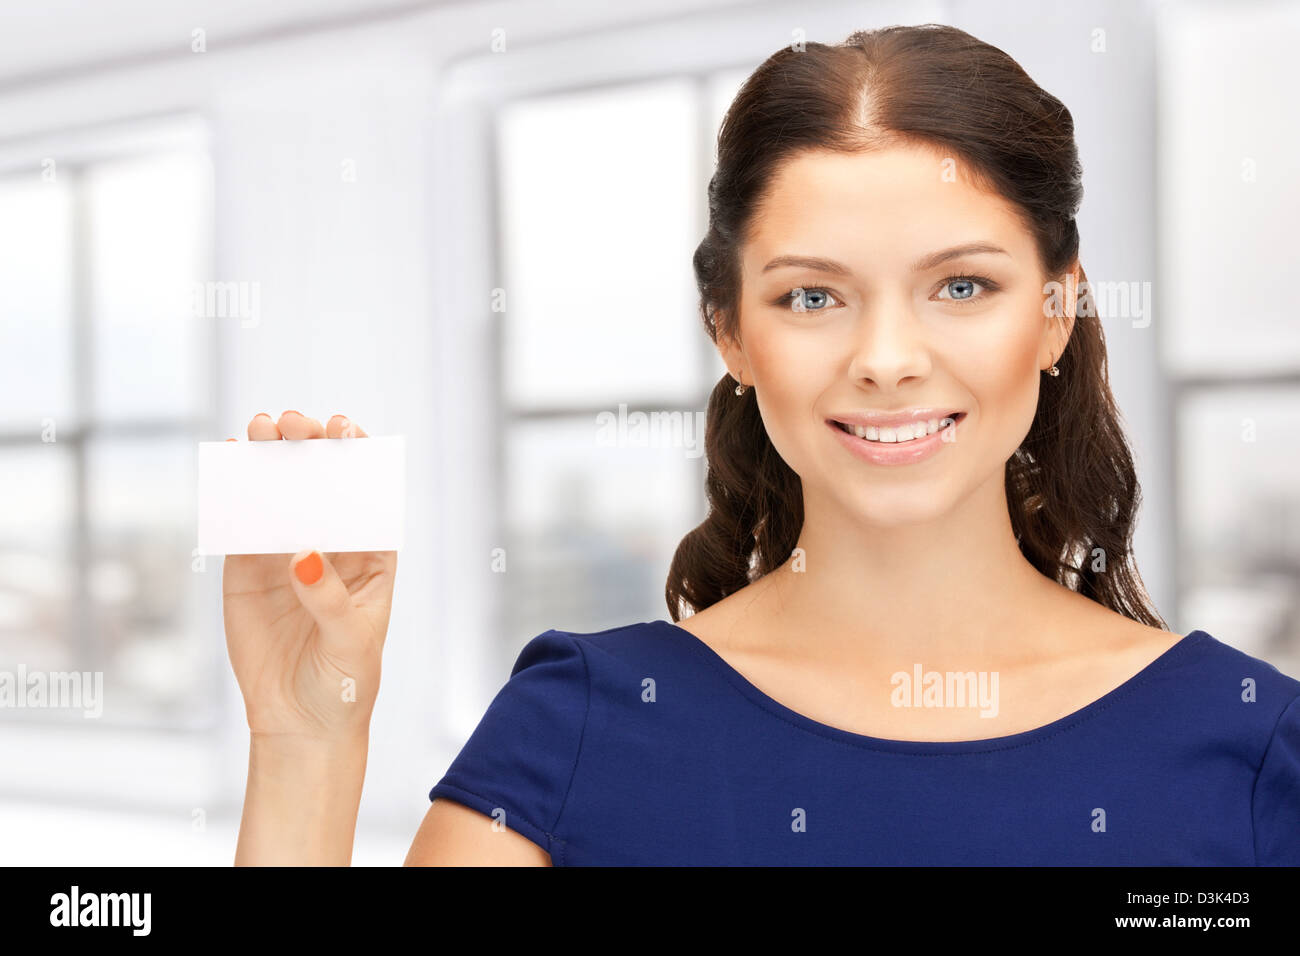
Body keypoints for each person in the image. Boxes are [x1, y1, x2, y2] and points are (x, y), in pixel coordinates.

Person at [224, 24, 1300, 866]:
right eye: (812, 294)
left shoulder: (1250, 745)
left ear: (1057, 309)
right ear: (730, 330)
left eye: (961, 285)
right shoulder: (581, 724)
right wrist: (304, 741)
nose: (885, 356)